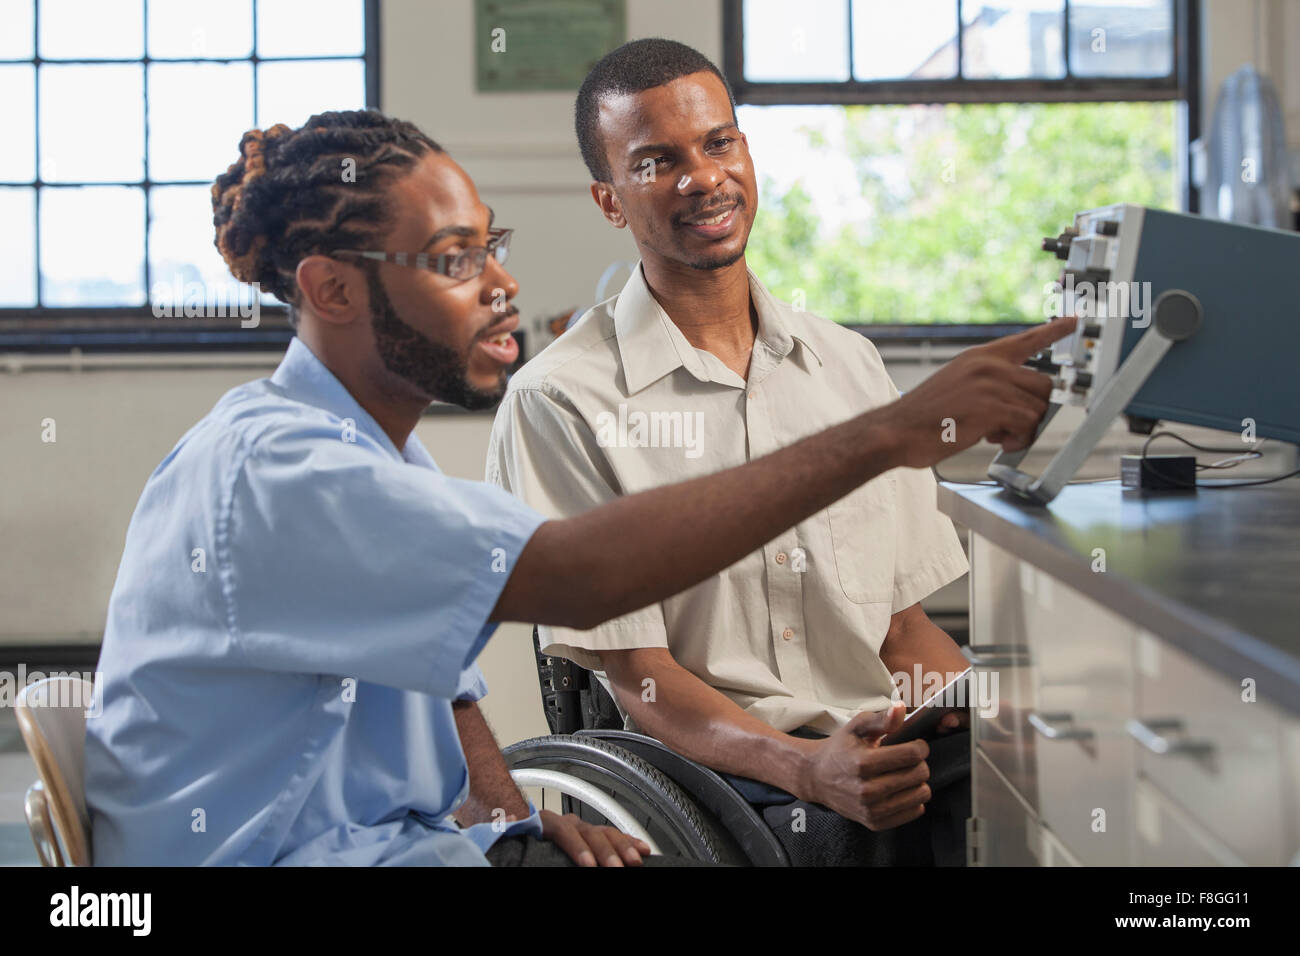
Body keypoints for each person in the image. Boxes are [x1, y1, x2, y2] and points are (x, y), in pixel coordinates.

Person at [84, 109, 1072, 867]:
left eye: (490, 245)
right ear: (334, 289)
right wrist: (892, 431)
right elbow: (582, 573)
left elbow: (451, 687)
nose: (500, 284)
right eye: (454, 260)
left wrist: (509, 822)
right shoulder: (278, 467)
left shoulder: (372, 454)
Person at [486, 40, 1006, 865]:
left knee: (1050, 800)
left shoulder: (850, 366)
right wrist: (807, 769)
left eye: (718, 143)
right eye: (656, 161)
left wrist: (997, 720)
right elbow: (639, 678)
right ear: (610, 200)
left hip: (879, 744)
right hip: (720, 777)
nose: (702, 178)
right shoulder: (561, 401)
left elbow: (905, 633)